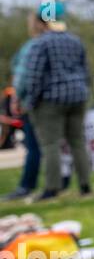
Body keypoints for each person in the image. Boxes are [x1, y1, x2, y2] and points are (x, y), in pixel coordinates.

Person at [21, 0, 94, 202]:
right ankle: (85, 186)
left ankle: (52, 189)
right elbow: (85, 70)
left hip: (51, 100)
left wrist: (31, 101)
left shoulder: (40, 43)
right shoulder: (75, 40)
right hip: (77, 97)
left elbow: (34, 75)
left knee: (50, 144)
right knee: (77, 142)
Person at [3, 14, 46, 202]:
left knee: (33, 146)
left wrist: (16, 98)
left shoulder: (32, 46)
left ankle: (26, 185)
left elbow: (21, 75)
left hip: (33, 102)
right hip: (53, 101)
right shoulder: (53, 42)